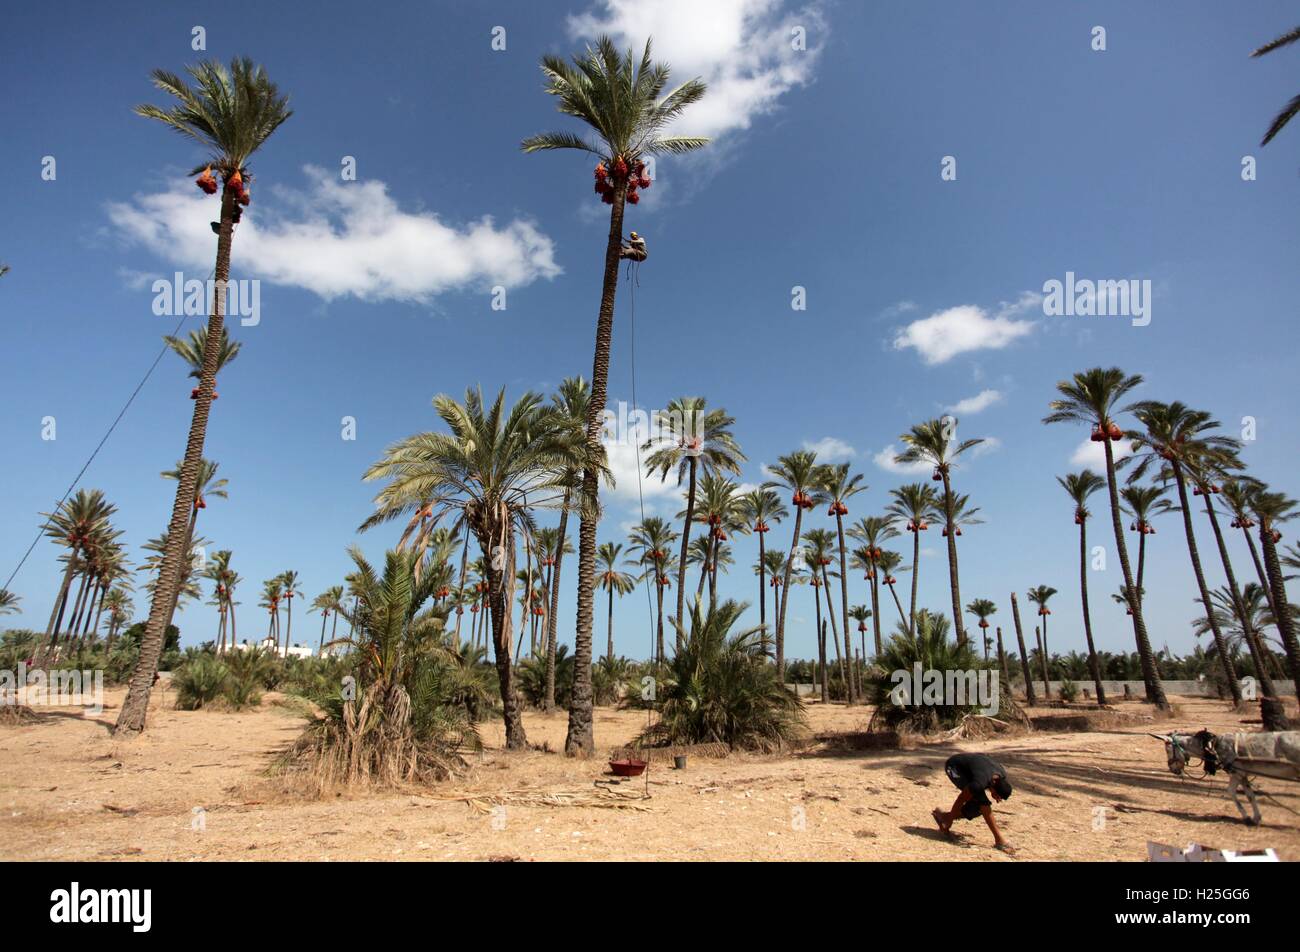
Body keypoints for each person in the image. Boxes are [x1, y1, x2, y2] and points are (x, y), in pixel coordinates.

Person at [932, 752, 1014, 852]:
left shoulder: (1001, 776)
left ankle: (943, 817)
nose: (996, 798)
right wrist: (950, 821)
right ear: (993, 783)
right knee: (982, 802)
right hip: (954, 767)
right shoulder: (980, 782)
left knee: (978, 808)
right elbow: (961, 799)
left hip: (973, 770)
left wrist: (949, 817)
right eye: (996, 795)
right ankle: (999, 840)